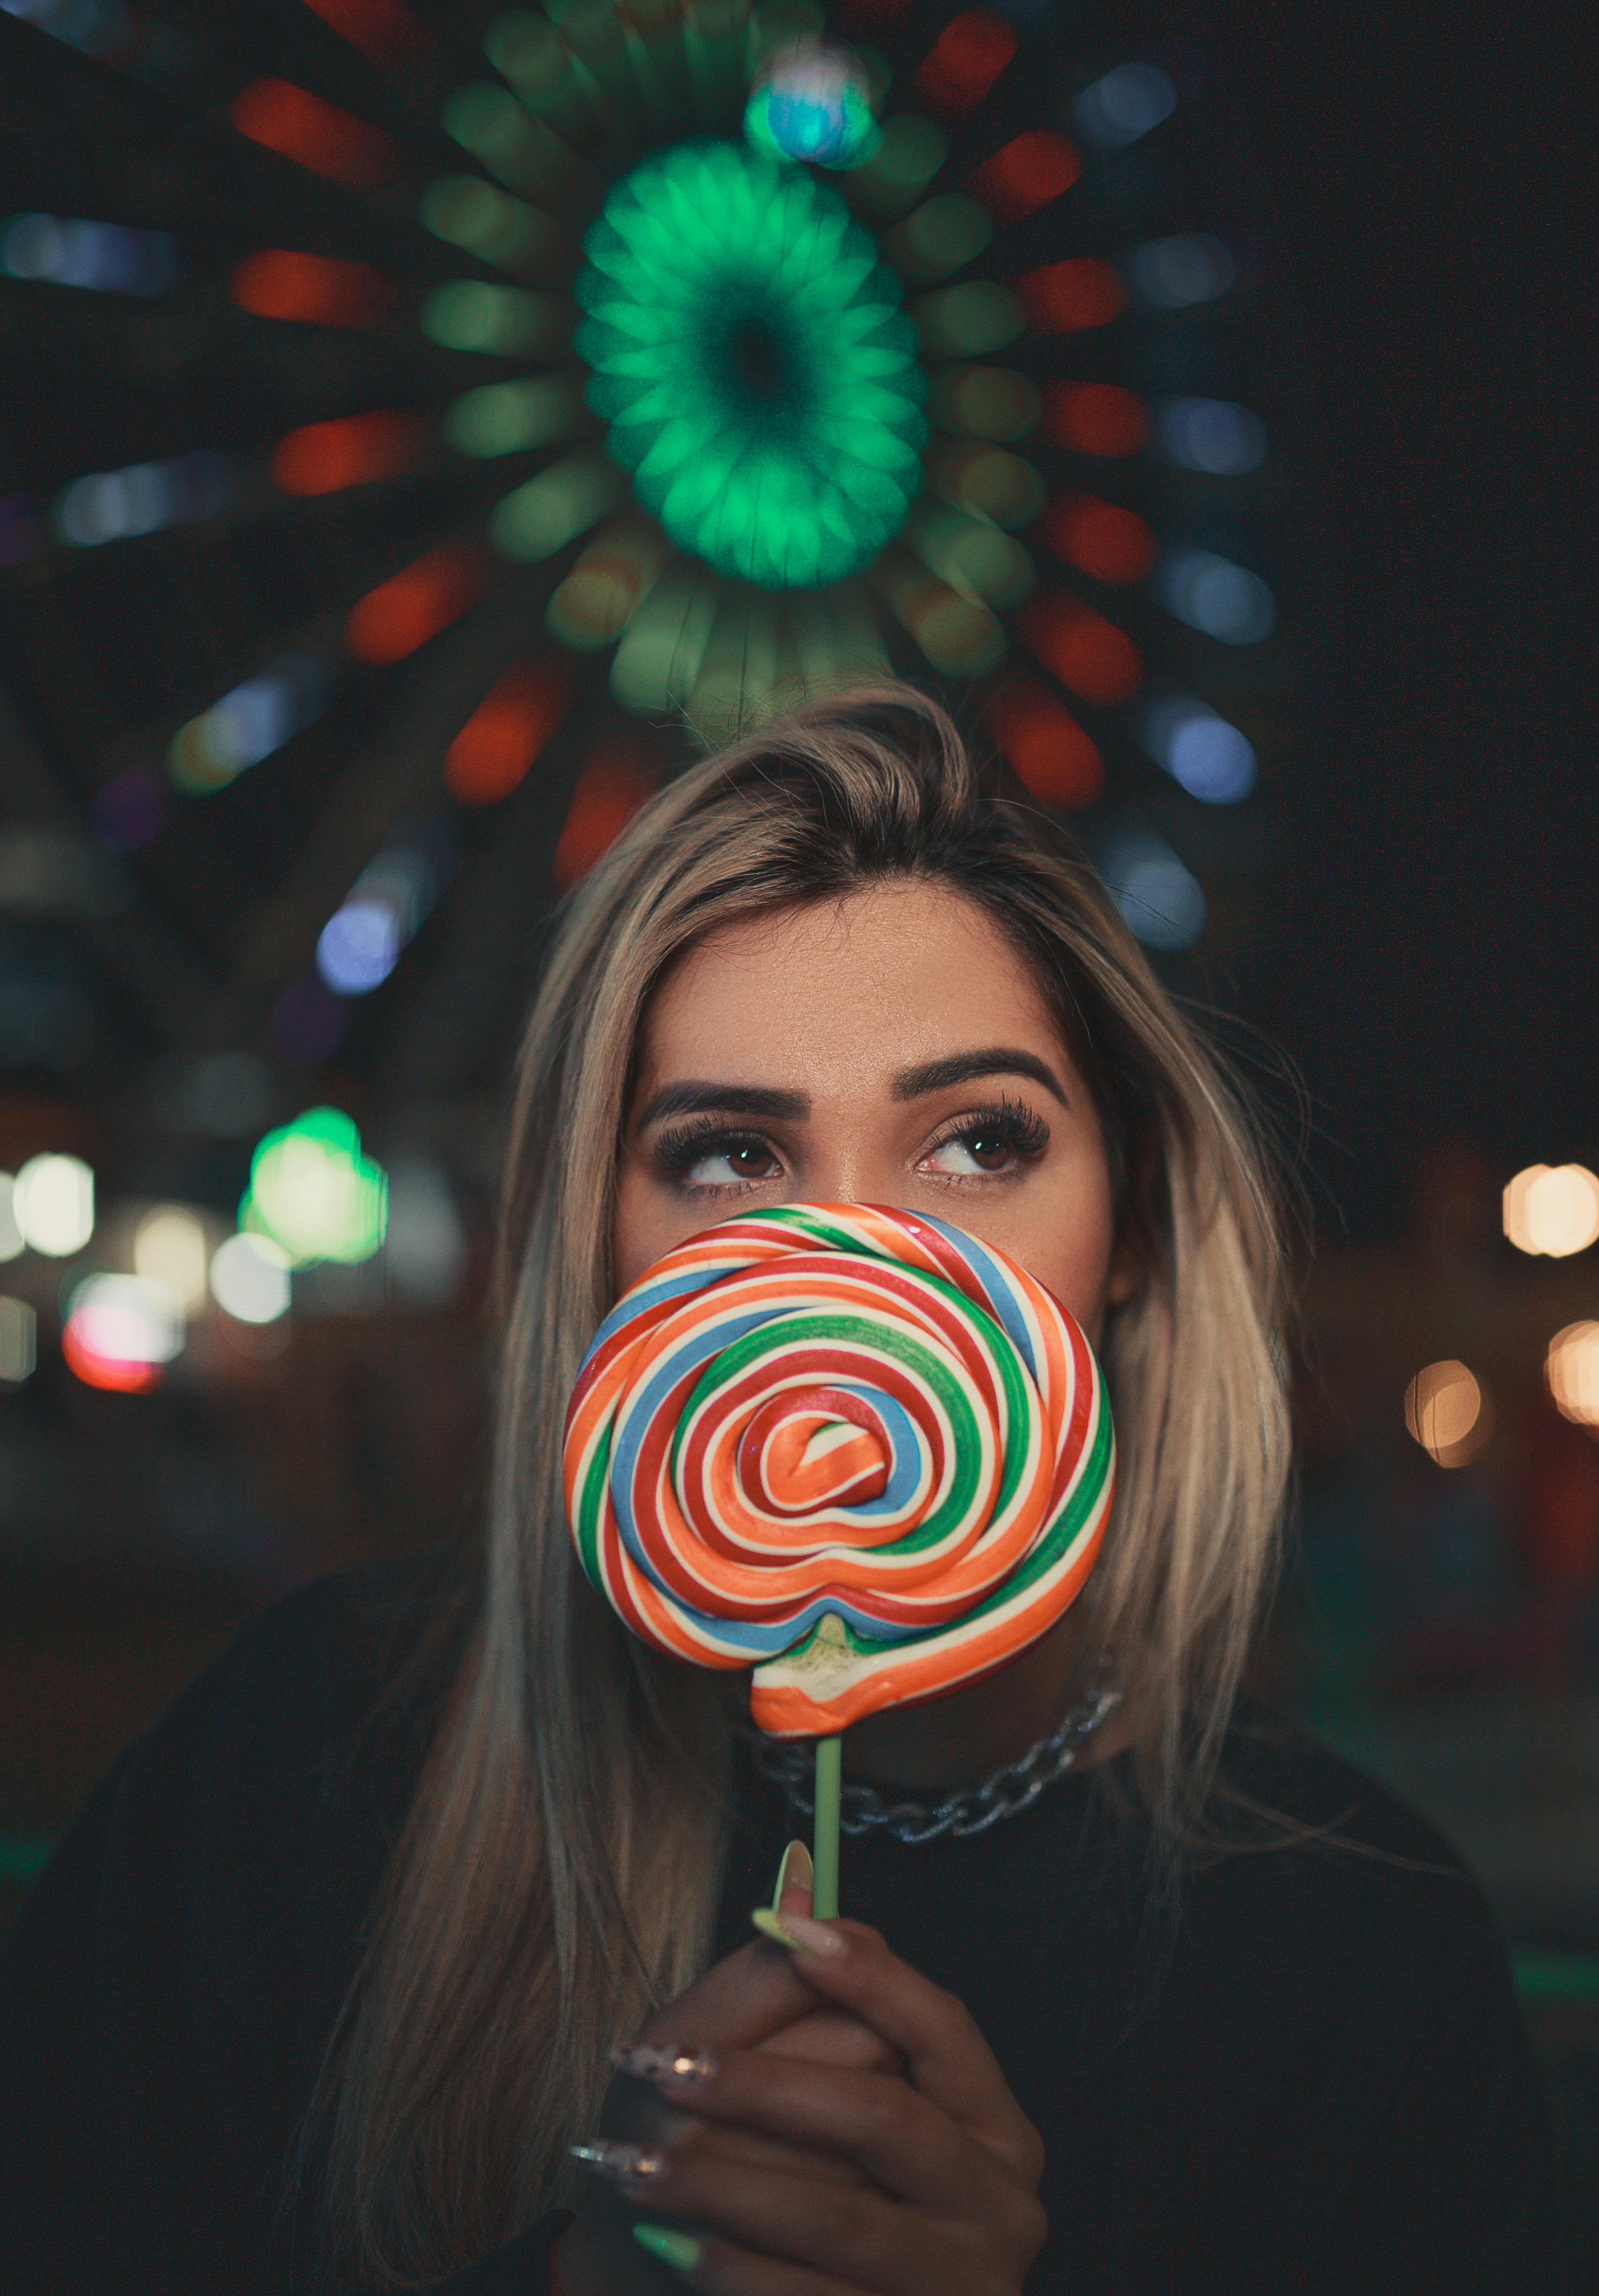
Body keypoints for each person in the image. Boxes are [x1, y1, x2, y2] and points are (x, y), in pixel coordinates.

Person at [0, 685, 1560, 2294]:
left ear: (1137, 1233)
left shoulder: (1358, 1945)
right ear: (601, 1254)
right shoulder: (302, 1761)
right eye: (731, 1155)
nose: (845, 1259)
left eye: (974, 1142)